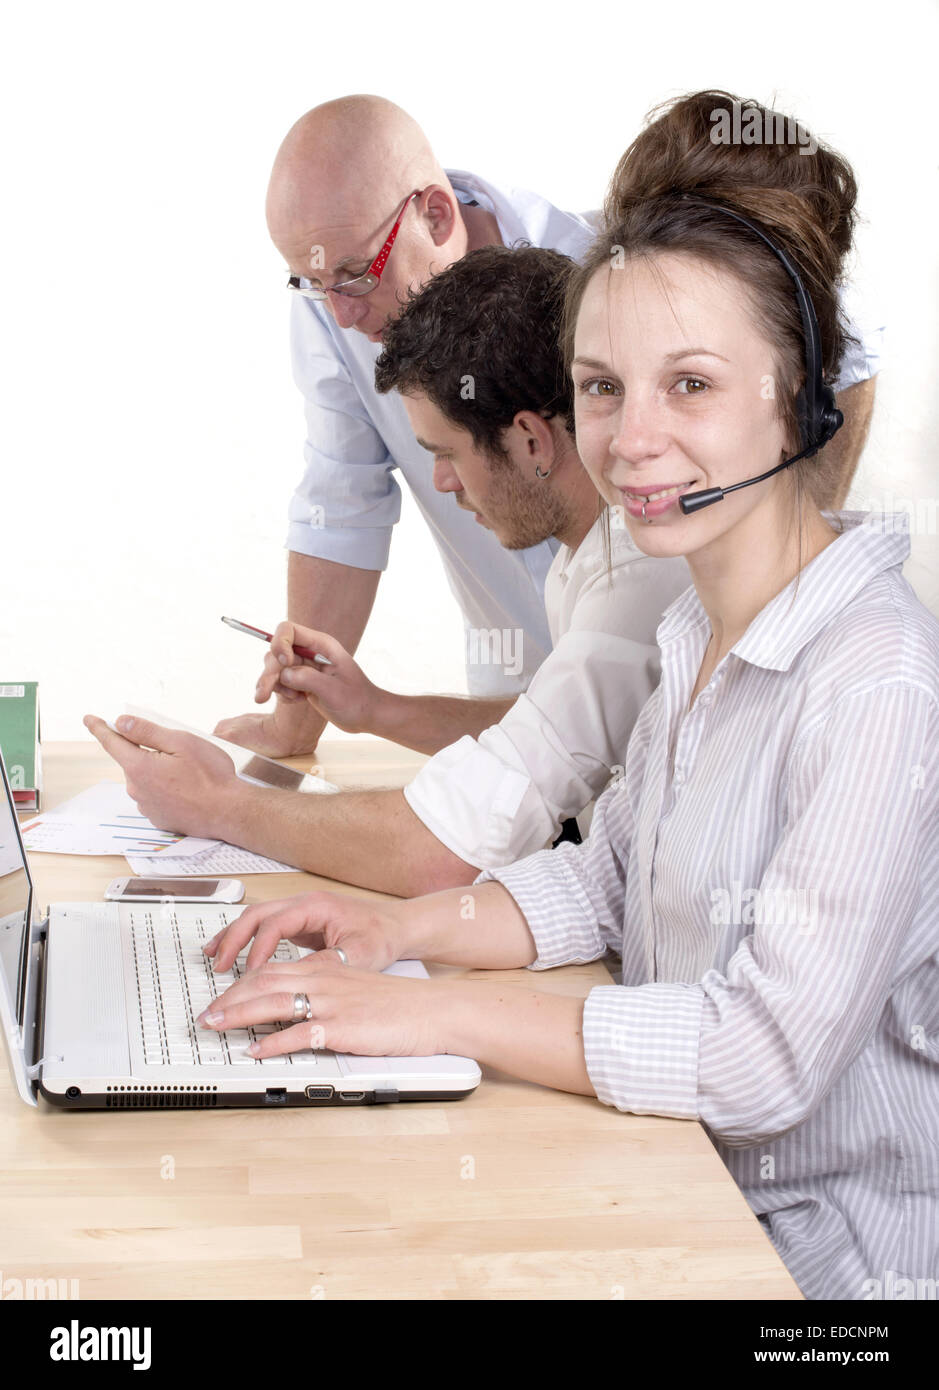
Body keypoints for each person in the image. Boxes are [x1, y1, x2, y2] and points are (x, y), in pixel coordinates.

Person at [191, 92, 938, 1302]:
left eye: (689, 386)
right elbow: (607, 874)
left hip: (823, 1278)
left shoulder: (877, 677)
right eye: (601, 385)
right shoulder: (697, 621)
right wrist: (399, 937)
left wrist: (432, 1018)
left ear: (788, 393)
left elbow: (761, 1057)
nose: (630, 440)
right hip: (686, 1188)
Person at [214, 94, 880, 760]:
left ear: (436, 213)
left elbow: (846, 342)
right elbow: (341, 501)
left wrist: (776, 611)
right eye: (310, 281)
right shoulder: (338, 304)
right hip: (530, 702)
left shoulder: (621, 272)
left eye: (356, 274)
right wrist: (305, 722)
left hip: (688, 703)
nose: (340, 312)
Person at [84, 246, 690, 895]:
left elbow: (442, 854)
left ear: (531, 441)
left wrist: (216, 803)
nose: (441, 481)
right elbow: (549, 731)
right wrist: (371, 707)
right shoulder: (590, 551)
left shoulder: (638, 576)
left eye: (445, 452)